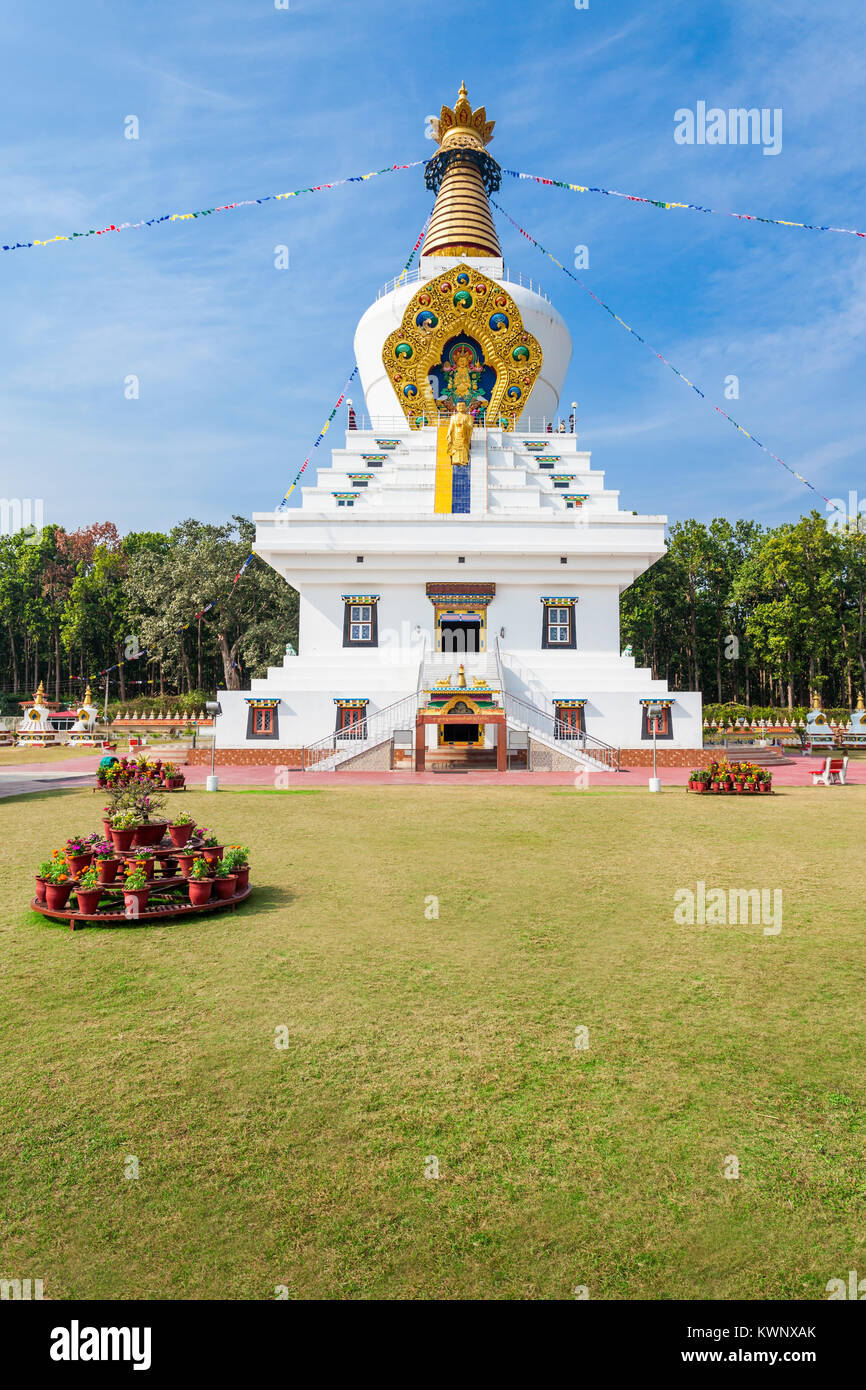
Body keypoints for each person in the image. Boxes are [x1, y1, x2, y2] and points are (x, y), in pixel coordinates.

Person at [446, 400, 474, 465]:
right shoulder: (453, 417)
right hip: (456, 435)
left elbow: (470, 427)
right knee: (455, 448)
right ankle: (455, 460)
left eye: (463, 405)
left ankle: (463, 460)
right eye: (459, 405)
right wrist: (448, 434)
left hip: (464, 435)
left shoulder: (469, 417)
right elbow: (451, 427)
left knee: (463, 448)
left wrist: (464, 424)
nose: (461, 407)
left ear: (466, 407)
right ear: (456, 407)